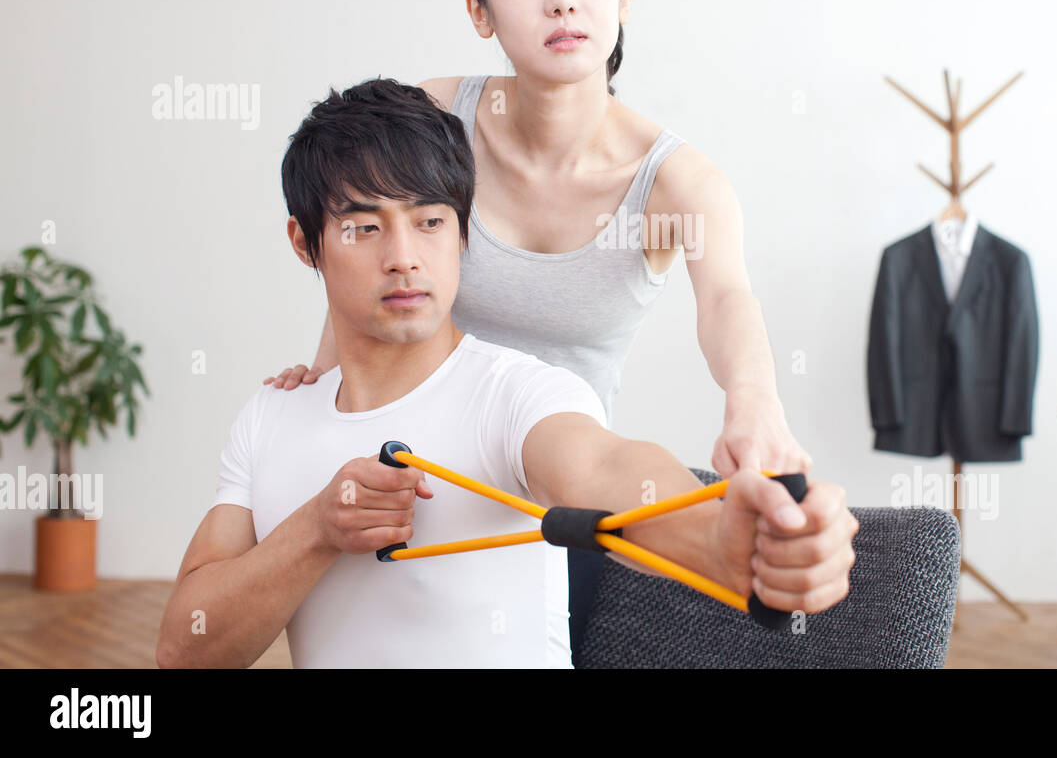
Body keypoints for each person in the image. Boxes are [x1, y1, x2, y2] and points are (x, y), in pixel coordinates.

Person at [264, 0, 814, 653]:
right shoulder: (436, 116)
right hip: (408, 472)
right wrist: (319, 392)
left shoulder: (678, 184)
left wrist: (755, 406)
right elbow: (362, 249)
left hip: (556, 487)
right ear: (480, 10)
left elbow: (728, 300)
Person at [157, 78, 856, 668]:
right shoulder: (273, 415)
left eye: (430, 222)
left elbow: (607, 472)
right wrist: (316, 528)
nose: (404, 256)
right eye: (364, 228)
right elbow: (184, 647)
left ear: (464, 234)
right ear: (305, 244)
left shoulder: (520, 394)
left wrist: (726, 544)